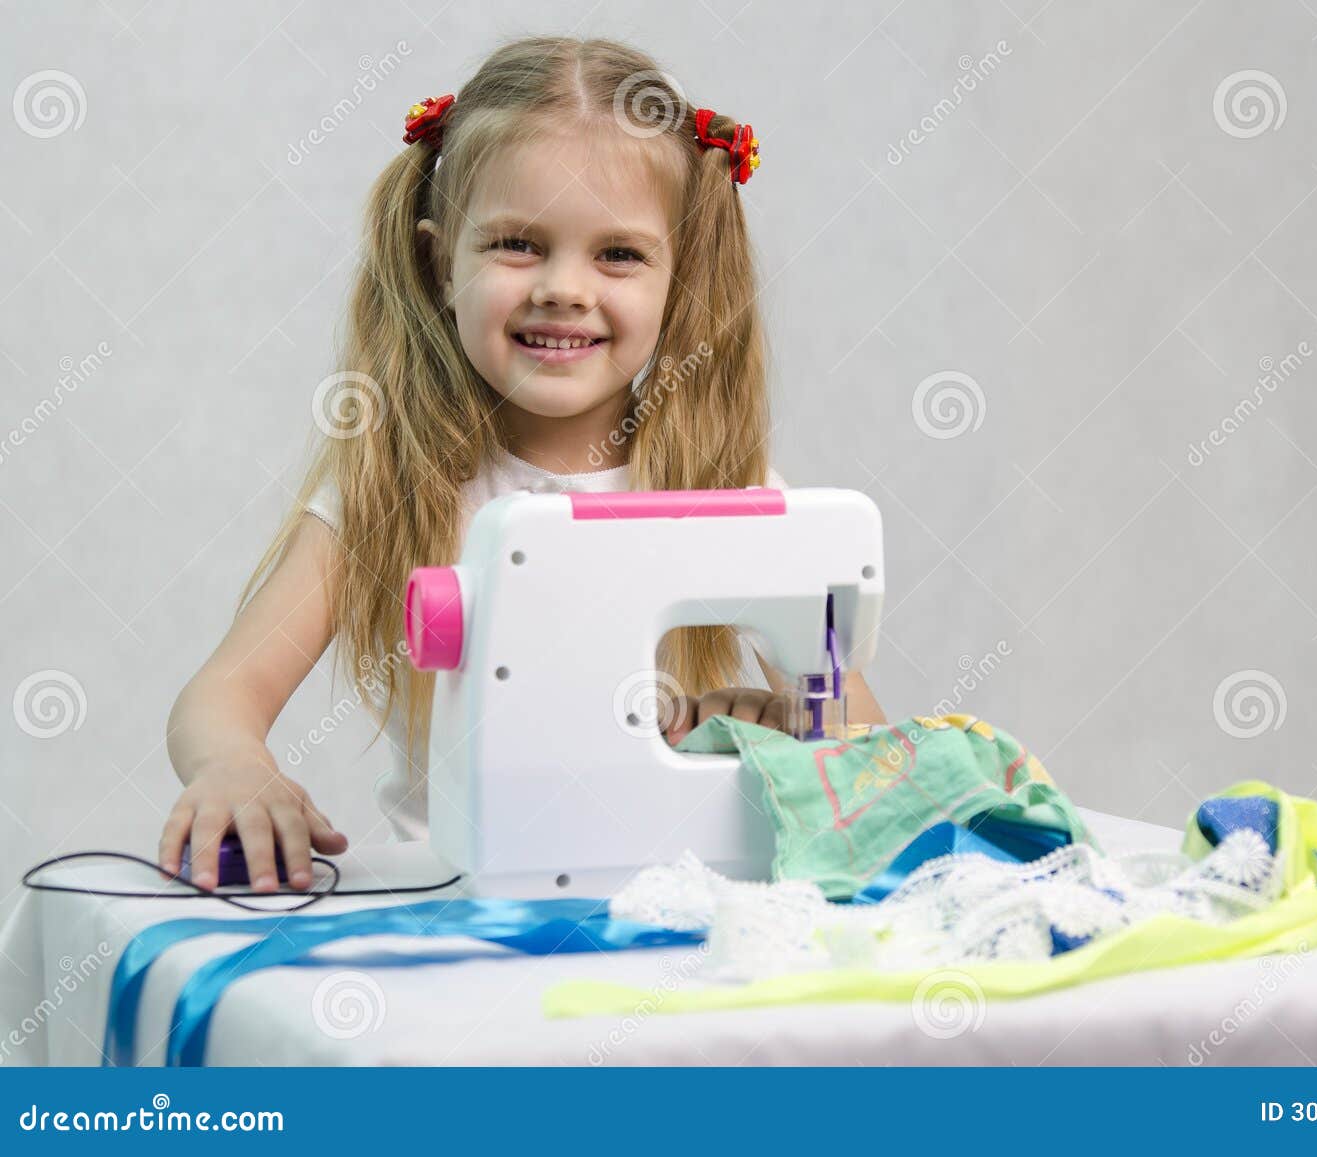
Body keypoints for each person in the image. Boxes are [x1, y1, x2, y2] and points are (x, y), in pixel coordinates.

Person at [160, 35, 885, 894]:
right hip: (460, 909)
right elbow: (218, 698)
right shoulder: (394, 487)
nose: (564, 289)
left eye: (618, 254)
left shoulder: (728, 492)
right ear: (440, 262)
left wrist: (782, 734)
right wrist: (236, 766)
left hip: (673, 911)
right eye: (517, 245)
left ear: (678, 281)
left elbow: (868, 752)